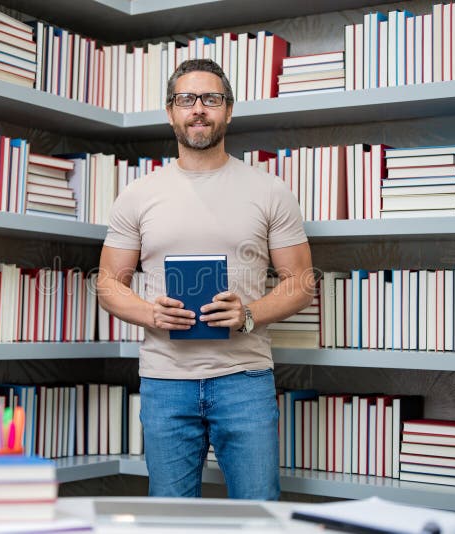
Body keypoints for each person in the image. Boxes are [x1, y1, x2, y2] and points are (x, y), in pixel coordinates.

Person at [95, 59, 315, 500]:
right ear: (170, 111)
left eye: (211, 99)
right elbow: (107, 284)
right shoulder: (138, 193)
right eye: (186, 99)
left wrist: (249, 313)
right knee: (171, 522)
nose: (199, 109)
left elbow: (302, 282)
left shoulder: (270, 190)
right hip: (164, 382)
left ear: (228, 111)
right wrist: (150, 313)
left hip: (245, 379)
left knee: (259, 519)